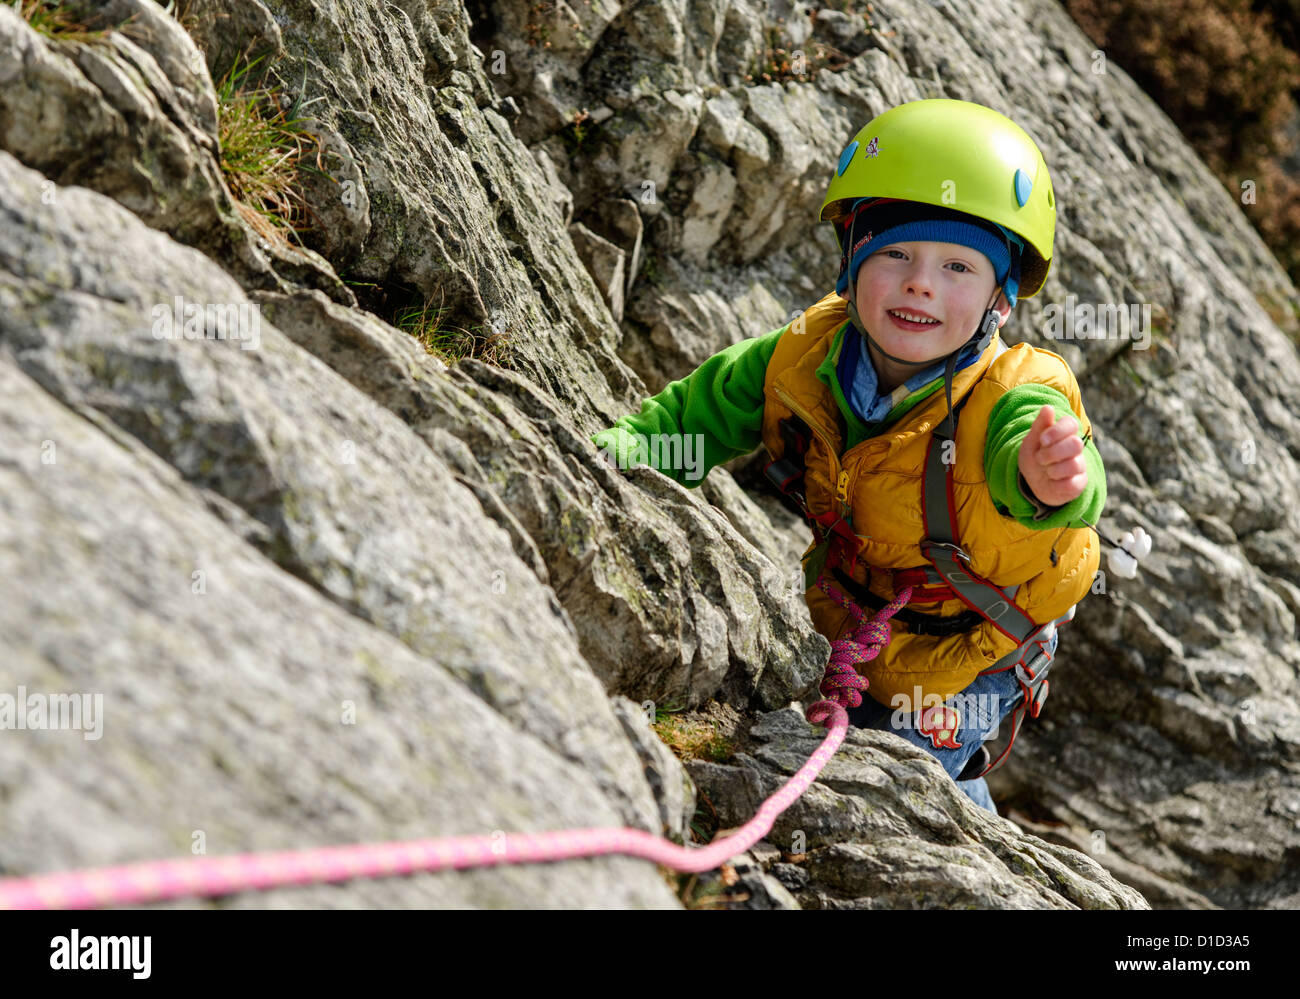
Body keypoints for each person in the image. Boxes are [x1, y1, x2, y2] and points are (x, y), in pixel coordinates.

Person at [591, 99, 1106, 815]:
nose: (921, 282)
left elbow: (1048, 455)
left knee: (910, 788)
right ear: (851, 261)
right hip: (857, 615)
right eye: (895, 253)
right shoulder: (803, 355)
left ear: (1000, 300)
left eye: (958, 265)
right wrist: (624, 456)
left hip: (980, 653)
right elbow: (704, 411)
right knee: (855, 747)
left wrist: (1047, 478)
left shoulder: (1017, 392)